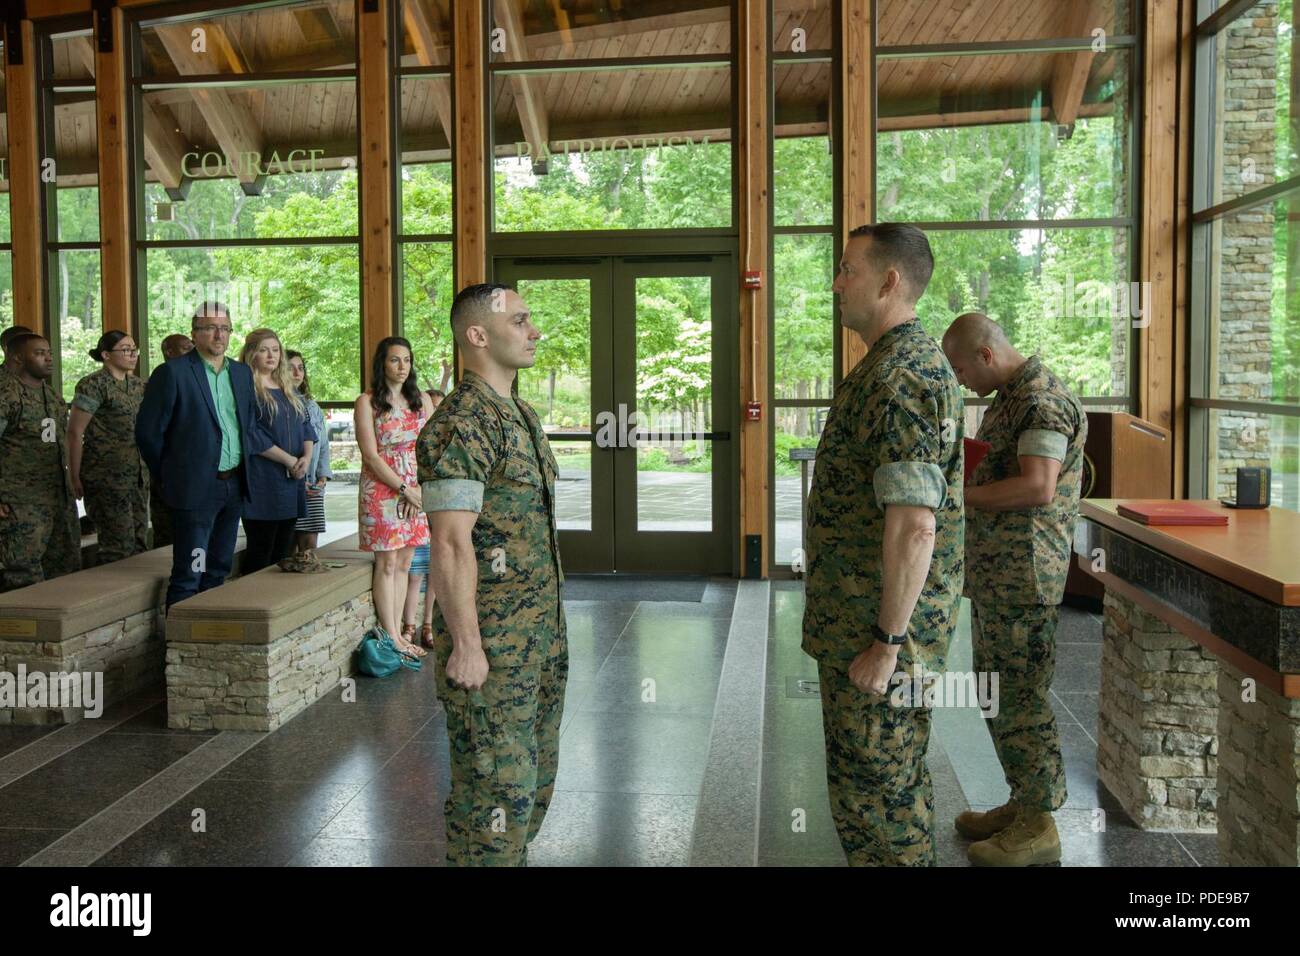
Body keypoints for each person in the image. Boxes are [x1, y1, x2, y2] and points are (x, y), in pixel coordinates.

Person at [802, 223, 964, 867]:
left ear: (889, 282)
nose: (837, 282)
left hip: (879, 640)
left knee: (881, 799)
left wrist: (886, 644)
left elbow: (915, 524)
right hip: (861, 628)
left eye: (848, 269)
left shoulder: (902, 377)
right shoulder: (887, 366)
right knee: (874, 788)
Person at [418, 283, 567, 867]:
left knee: (530, 786)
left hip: (539, 638)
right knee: (493, 796)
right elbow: (451, 544)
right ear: (478, 336)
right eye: (522, 320)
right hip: (494, 648)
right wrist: (469, 648)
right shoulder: (462, 424)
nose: (535, 331)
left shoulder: (518, 413)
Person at [941, 312, 1087, 867]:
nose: (958, 380)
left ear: (985, 354)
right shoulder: (1009, 396)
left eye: (959, 368)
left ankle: (1041, 824)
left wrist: (958, 497)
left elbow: (1037, 485)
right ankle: (1023, 801)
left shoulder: (1040, 400)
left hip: (1025, 578)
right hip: (1000, 576)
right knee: (996, 690)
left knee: (1020, 697)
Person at [135, 302, 301, 612]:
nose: (218, 335)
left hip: (233, 486)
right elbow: (148, 433)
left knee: (219, 567)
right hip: (195, 488)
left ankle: (207, 639)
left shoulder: (240, 374)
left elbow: (248, 426)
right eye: (210, 328)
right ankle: (180, 644)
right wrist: (171, 475)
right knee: (190, 570)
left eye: (224, 328)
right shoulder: (173, 373)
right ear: (195, 333)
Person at [355, 337, 434, 659]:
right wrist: (404, 489)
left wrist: (421, 489)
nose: (402, 367)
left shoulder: (423, 401)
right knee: (387, 563)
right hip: (383, 490)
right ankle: (391, 637)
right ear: (382, 364)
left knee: (405, 562)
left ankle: (403, 630)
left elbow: (431, 447)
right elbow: (370, 456)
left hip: (416, 491)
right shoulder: (367, 402)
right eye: (394, 360)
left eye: (407, 360)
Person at [0, 333, 82, 591]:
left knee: (65, 568)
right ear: (16, 358)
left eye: (49, 352)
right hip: (21, 499)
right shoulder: (7, 393)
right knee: (23, 571)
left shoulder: (52, 396)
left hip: (57, 495)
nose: (48, 358)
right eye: (39, 353)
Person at [68, 331, 150, 565]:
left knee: (139, 540)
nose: (132, 353)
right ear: (106, 355)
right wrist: (73, 476)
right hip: (106, 476)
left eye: (134, 348)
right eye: (125, 349)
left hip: (136, 475)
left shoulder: (137, 385)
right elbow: (75, 432)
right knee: (117, 545)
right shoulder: (93, 384)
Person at [239, 330, 315, 574]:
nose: (271, 355)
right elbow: (251, 434)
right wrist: (289, 460)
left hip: (291, 481)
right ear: (252, 354)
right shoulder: (246, 389)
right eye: (263, 349)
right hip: (263, 481)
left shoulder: (287, 388)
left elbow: (306, 427)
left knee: (284, 551)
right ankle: (253, 605)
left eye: (275, 349)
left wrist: (306, 459)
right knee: (262, 551)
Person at [402, 389, 446, 648]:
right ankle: (409, 625)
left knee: (435, 574)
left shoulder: (444, 441)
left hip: (437, 515)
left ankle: (428, 624)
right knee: (415, 573)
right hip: (416, 512)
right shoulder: (414, 439)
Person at [148, 335, 194, 549]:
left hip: (194, 469)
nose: (191, 350)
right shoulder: (163, 378)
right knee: (167, 529)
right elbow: (151, 432)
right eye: (185, 348)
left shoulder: (196, 378)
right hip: (168, 466)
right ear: (169, 351)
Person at [287, 351, 332, 554]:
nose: (297, 372)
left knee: (309, 547)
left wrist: (323, 476)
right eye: (290, 367)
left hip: (313, 484)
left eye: (301, 367)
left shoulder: (313, 407)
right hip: (289, 483)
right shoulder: (279, 403)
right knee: (287, 547)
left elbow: (323, 445)